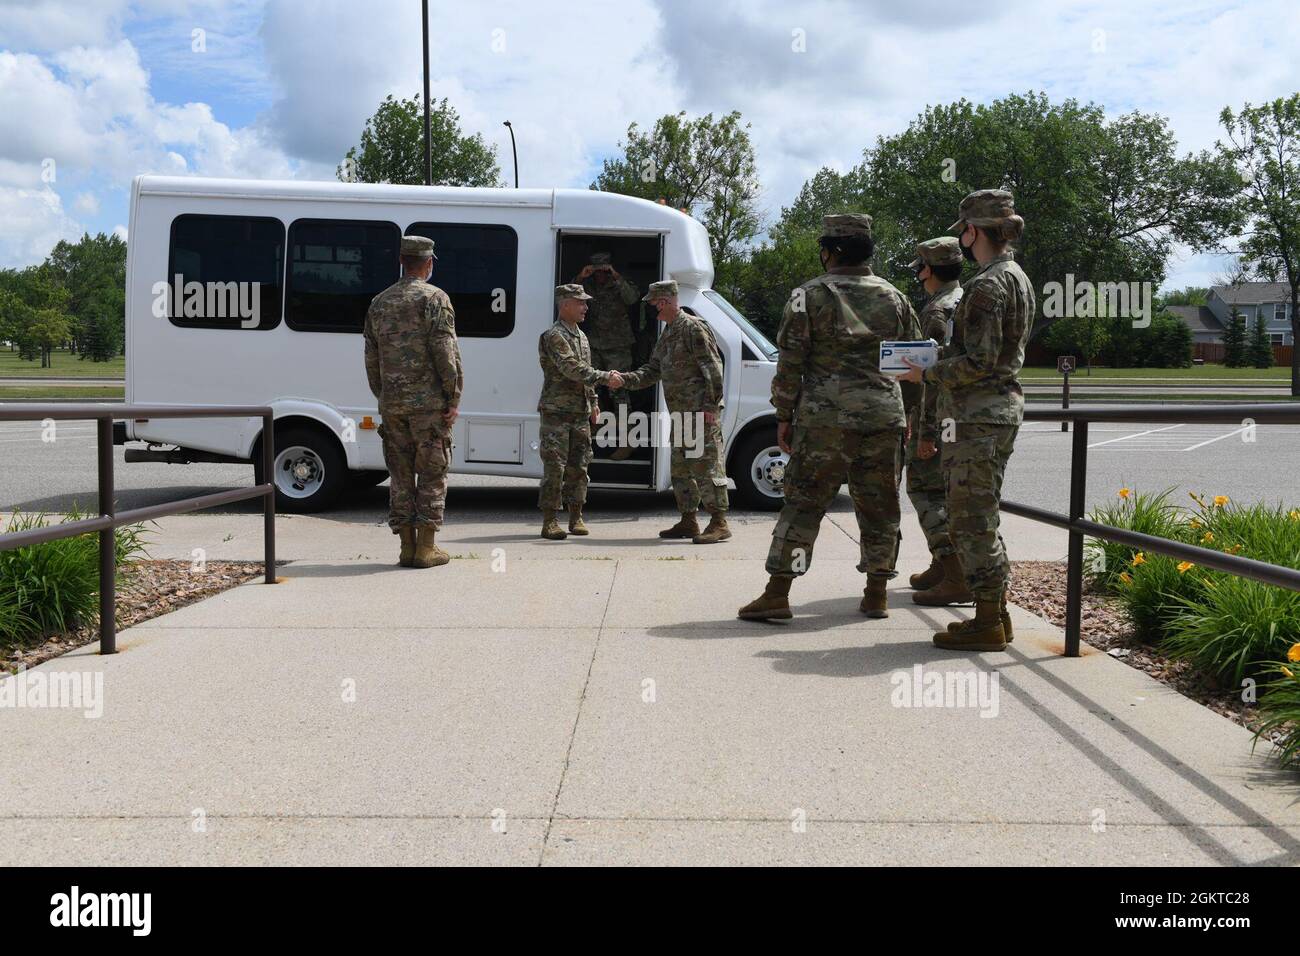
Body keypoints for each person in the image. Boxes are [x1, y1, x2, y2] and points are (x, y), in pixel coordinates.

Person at [739, 213, 921, 621]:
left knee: (803, 505)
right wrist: (906, 415)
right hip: (883, 418)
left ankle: (778, 592)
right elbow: (915, 363)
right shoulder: (895, 297)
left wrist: (783, 416)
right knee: (881, 507)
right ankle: (877, 592)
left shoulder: (807, 296)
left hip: (824, 422)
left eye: (824, 248)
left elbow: (790, 364)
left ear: (833, 251)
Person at [898, 189, 1035, 651]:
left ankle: (988, 621)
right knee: (979, 518)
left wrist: (928, 370)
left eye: (963, 231)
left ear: (973, 231)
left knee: (971, 522)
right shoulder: (1015, 276)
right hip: (990, 415)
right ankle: (994, 614)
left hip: (978, 417)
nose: (962, 239)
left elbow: (980, 362)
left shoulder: (987, 284)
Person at [363, 235, 462, 569]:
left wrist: (385, 395)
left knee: (401, 476)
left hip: (393, 406)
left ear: (402, 261)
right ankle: (426, 548)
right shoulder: (435, 298)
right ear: (429, 263)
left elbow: (371, 358)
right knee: (432, 474)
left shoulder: (379, 302)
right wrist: (452, 396)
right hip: (429, 407)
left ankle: (406, 548)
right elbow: (444, 351)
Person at [616, 280, 730, 544]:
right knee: (681, 470)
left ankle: (719, 522)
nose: (651, 308)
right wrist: (624, 379)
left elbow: (713, 369)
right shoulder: (667, 334)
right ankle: (689, 521)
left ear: (664, 301)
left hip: (699, 415)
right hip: (680, 415)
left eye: (653, 303)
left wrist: (711, 407)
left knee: (706, 467)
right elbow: (652, 370)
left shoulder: (693, 328)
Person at [904, 236, 972, 607]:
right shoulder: (963, 299)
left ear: (928, 271)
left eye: (920, 268)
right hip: (961, 414)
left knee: (925, 490)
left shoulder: (936, 312)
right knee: (946, 494)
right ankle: (942, 565)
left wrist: (924, 431)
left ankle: (955, 572)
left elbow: (931, 373)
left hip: (939, 414)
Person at [537, 284, 623, 540]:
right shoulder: (554, 335)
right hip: (557, 411)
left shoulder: (581, 336)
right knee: (556, 467)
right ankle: (550, 520)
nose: (586, 307)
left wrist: (594, 400)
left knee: (580, 466)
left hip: (580, 411)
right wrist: (606, 376)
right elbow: (572, 368)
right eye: (580, 302)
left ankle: (576, 516)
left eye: (586, 302)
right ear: (565, 305)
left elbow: (585, 371)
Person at [574, 252, 640, 460]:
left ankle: (628, 441)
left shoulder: (619, 283)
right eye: (597, 271)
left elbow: (633, 298)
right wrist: (580, 277)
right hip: (594, 344)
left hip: (617, 346)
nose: (600, 275)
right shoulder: (588, 285)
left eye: (604, 270)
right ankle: (592, 431)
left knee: (618, 393)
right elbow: (566, 296)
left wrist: (616, 277)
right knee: (591, 389)